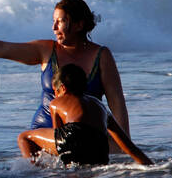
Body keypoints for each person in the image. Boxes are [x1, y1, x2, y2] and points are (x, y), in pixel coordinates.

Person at [0, 0, 135, 150]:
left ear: (80, 24)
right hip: (43, 136)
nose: (54, 27)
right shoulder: (45, 50)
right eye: (53, 21)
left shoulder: (101, 55)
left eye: (60, 21)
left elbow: (116, 102)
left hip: (86, 135)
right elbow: (0, 49)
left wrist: (124, 144)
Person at [18, 64, 152, 166]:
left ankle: (36, 172)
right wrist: (148, 164)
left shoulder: (56, 102)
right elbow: (128, 145)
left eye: (55, 91)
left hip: (71, 136)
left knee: (24, 137)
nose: (55, 95)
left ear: (62, 88)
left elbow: (57, 133)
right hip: (99, 147)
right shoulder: (101, 106)